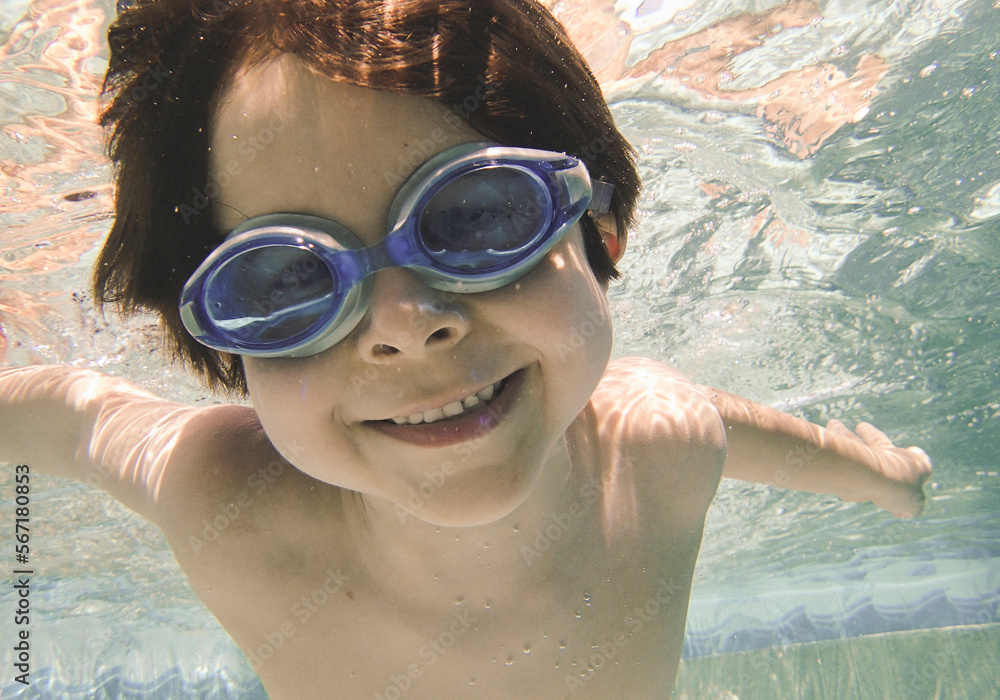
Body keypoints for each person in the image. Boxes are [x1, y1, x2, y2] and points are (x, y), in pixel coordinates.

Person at [0, 1, 931, 697]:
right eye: (284, 281)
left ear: (598, 226)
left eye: (479, 216)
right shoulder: (224, 497)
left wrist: (878, 472)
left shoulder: (657, 446)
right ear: (228, 349)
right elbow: (66, 419)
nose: (406, 324)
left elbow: (742, 434)